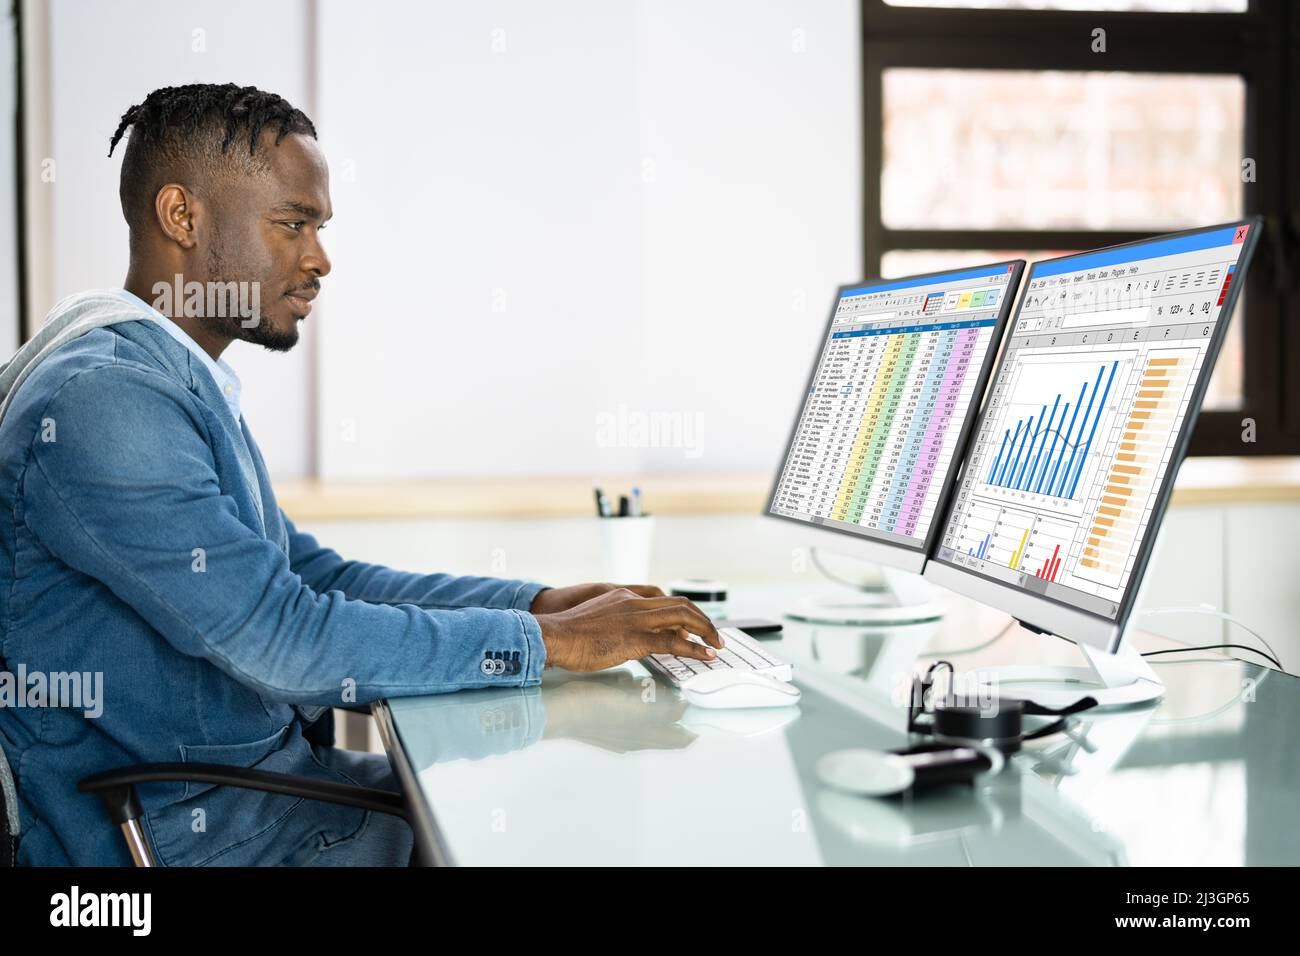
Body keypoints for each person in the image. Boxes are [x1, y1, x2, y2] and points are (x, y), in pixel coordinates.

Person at [0, 83, 722, 866]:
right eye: (292, 224)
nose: (319, 258)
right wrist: (547, 642)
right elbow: (285, 639)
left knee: (555, 798)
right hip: (201, 841)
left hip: (262, 798)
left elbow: (313, 576)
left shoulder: (162, 379)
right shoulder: (105, 403)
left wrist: (537, 605)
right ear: (183, 216)